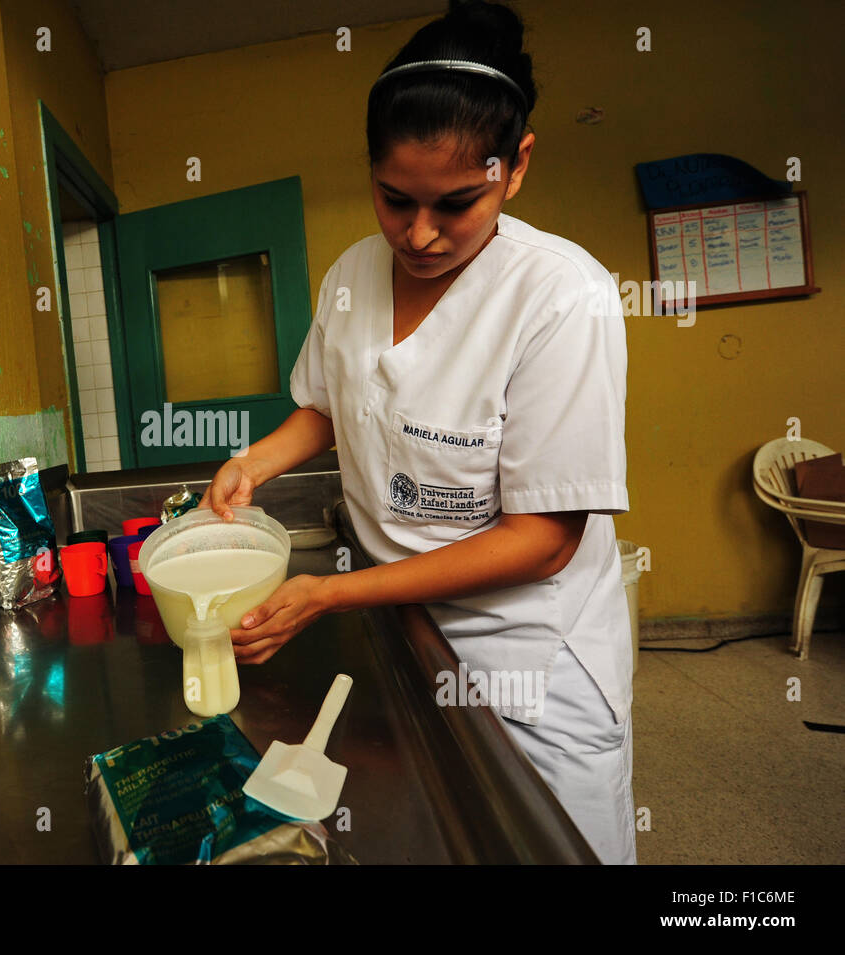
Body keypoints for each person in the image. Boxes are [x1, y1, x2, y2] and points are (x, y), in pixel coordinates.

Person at [198, 0, 635, 864]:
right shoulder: (355, 274)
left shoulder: (561, 299)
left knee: (544, 845)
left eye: (456, 203)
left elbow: (544, 540)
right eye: (394, 199)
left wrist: (330, 595)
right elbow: (330, 402)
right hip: (407, 632)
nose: (420, 234)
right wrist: (252, 463)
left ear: (516, 170)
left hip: (529, 662)